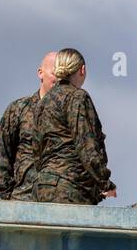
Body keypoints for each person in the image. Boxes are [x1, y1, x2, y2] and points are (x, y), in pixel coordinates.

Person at [31, 48, 116, 205]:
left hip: (42, 187)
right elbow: (86, 146)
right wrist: (105, 182)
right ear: (82, 70)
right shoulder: (78, 97)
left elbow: (36, 148)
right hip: (71, 187)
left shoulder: (42, 102)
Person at [0, 52, 57, 200]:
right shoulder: (19, 109)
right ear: (41, 73)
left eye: (63, 73)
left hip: (60, 202)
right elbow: (1, 155)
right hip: (23, 198)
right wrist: (10, 197)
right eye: (54, 72)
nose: (59, 78)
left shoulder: (73, 112)